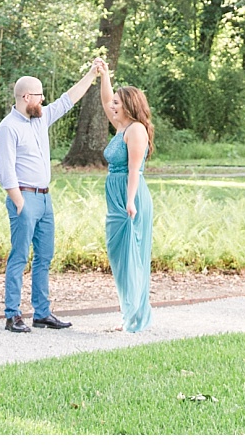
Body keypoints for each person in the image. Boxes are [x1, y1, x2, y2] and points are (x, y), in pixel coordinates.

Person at [0, 60, 104, 333]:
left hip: (45, 199)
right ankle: (13, 315)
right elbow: (6, 173)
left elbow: (68, 100)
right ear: (27, 97)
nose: (44, 100)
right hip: (25, 199)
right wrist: (19, 203)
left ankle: (42, 313)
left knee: (45, 257)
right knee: (19, 256)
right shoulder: (8, 128)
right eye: (40, 95)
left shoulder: (40, 119)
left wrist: (91, 75)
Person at [98, 64, 154, 332]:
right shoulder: (120, 127)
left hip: (129, 196)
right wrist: (104, 75)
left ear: (129, 105)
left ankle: (134, 318)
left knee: (131, 256)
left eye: (118, 103)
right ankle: (128, 312)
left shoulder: (136, 131)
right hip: (115, 195)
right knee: (118, 256)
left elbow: (135, 170)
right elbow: (105, 100)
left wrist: (130, 201)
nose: (113, 106)